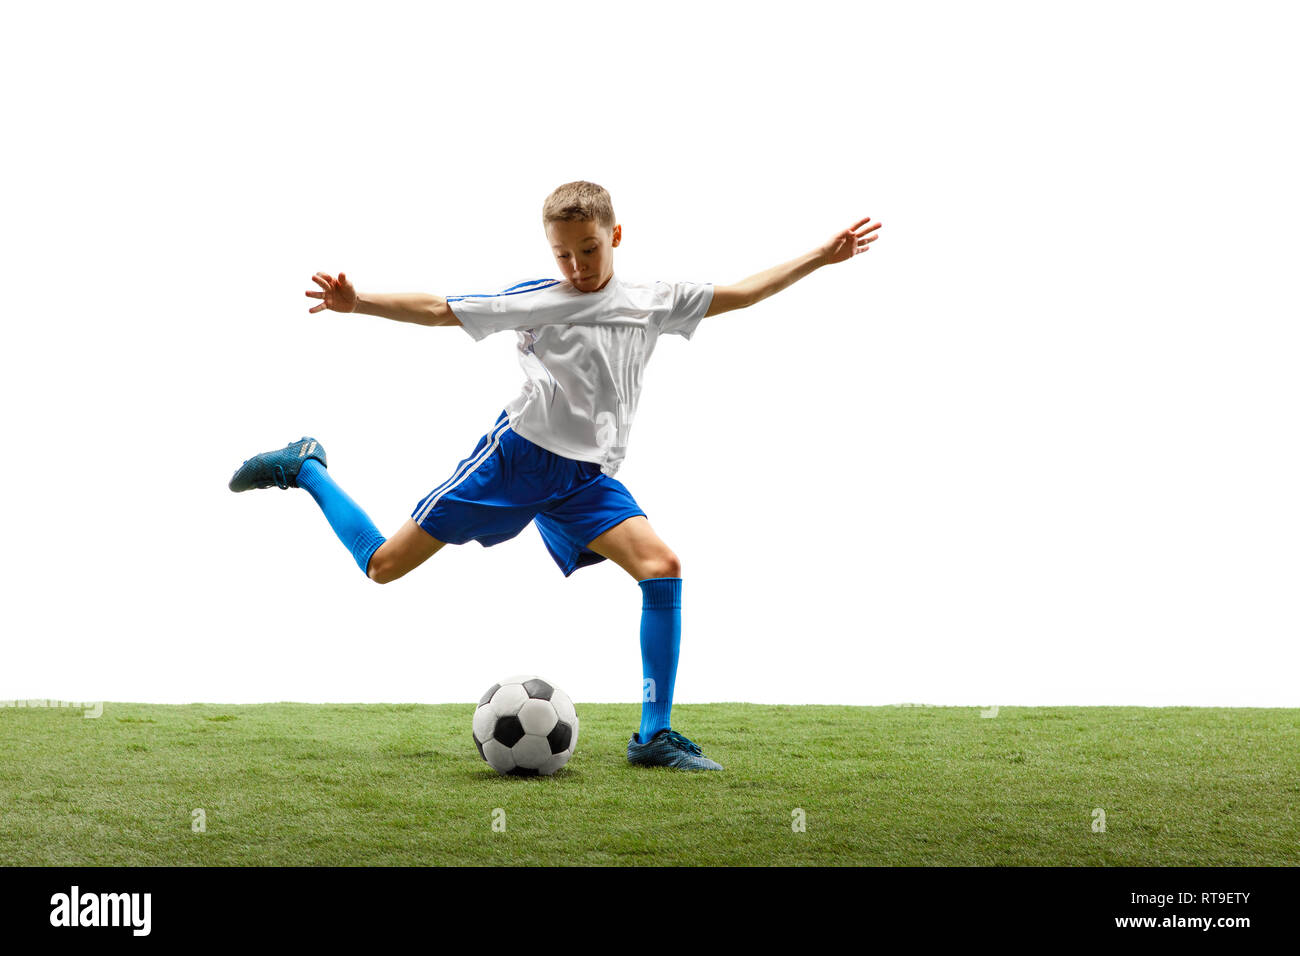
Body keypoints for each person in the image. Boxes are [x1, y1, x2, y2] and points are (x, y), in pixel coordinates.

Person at [229, 180, 881, 770]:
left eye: (589, 251)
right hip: (514, 463)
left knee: (662, 566)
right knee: (383, 567)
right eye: (563, 254)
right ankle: (308, 467)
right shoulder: (537, 300)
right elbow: (438, 309)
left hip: (586, 479)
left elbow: (742, 293)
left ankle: (654, 736)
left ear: (615, 235)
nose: (575, 266)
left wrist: (821, 257)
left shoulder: (653, 302)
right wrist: (357, 301)